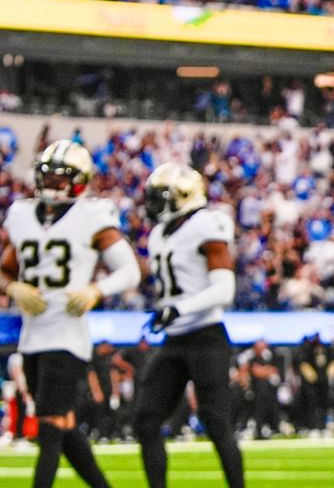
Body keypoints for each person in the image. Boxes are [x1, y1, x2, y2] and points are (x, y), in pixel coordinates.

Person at [0, 139, 141, 488]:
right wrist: (12, 287)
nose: (51, 184)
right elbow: (6, 269)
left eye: (60, 178)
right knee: (63, 427)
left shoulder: (92, 215)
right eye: (47, 177)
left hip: (67, 337)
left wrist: (97, 290)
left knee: (48, 429)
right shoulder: (21, 214)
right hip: (32, 336)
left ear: (78, 181)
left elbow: (129, 270)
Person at [132, 162, 244, 487]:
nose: (153, 203)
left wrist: (177, 309)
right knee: (146, 419)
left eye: (160, 196)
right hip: (175, 339)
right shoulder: (157, 235)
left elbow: (225, 289)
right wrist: (170, 312)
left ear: (183, 196)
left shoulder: (207, 223)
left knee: (215, 421)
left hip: (207, 335)